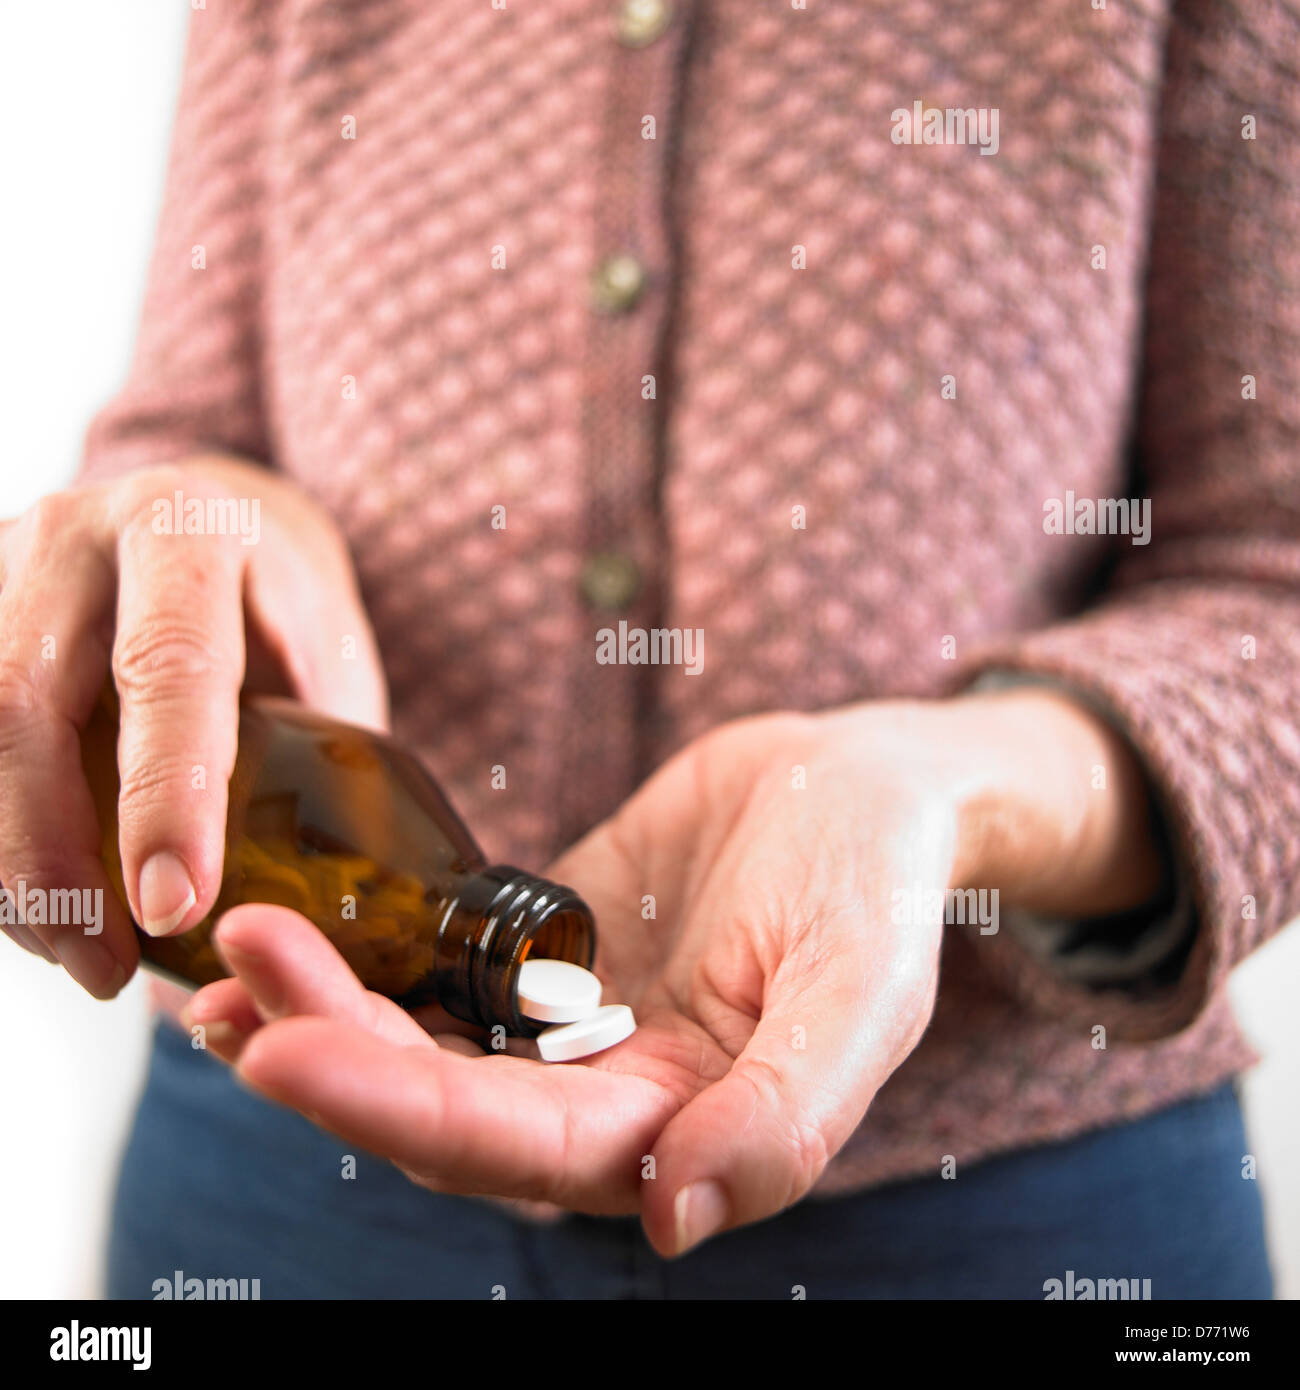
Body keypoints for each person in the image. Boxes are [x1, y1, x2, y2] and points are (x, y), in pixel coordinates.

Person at [4, 0, 1295, 1298]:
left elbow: (1275, 577)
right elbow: (180, 432)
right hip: (284, 1152)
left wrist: (953, 791)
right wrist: (188, 523)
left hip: (1021, 1192)